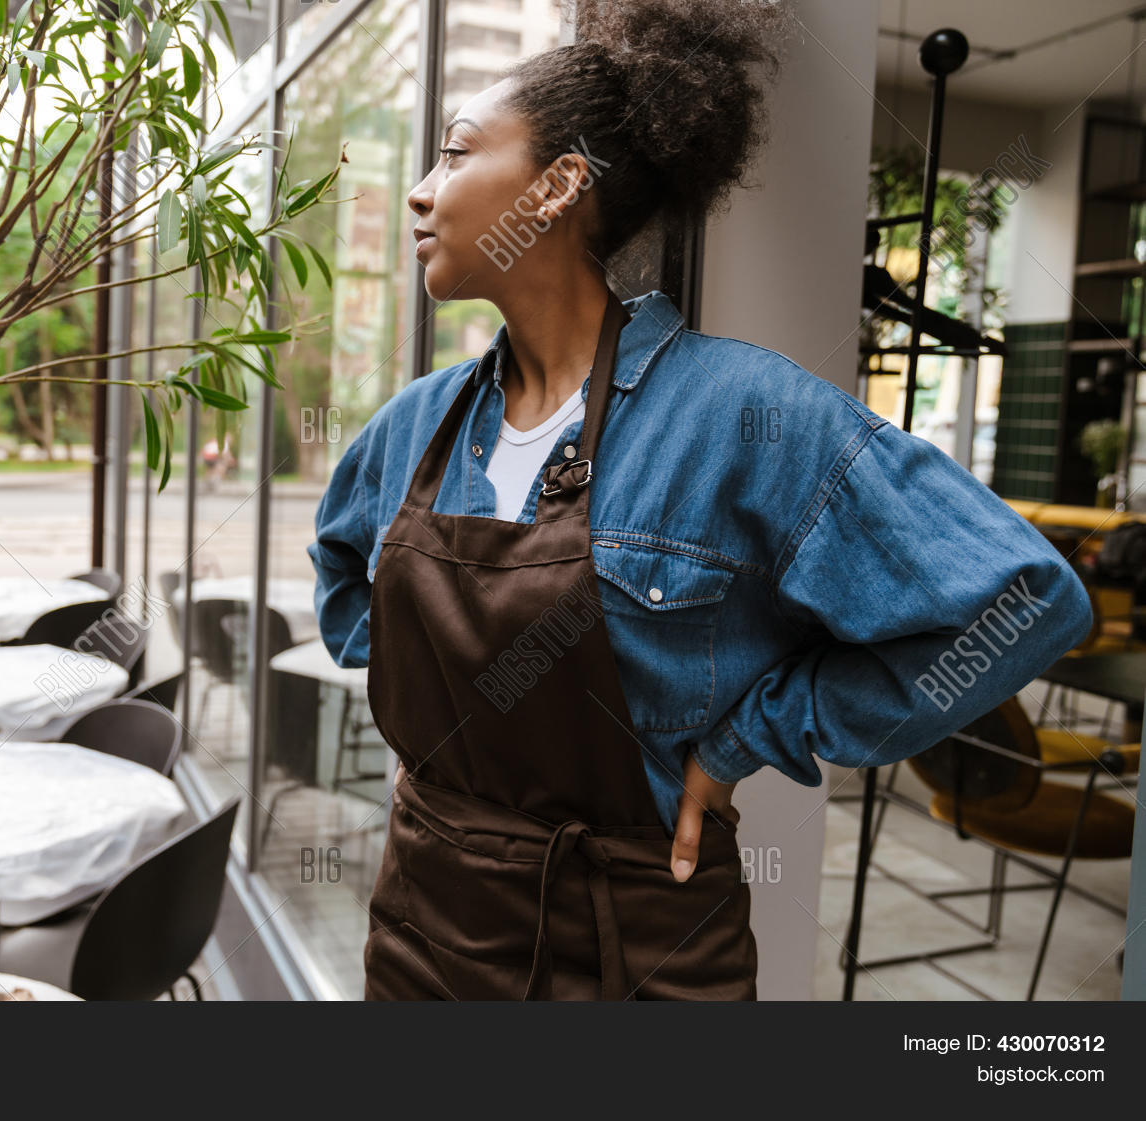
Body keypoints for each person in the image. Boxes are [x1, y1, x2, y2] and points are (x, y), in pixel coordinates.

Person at [306, 0, 1094, 1001]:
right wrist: (449, 740)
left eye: (456, 153)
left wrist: (740, 742)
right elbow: (345, 583)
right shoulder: (413, 426)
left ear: (557, 185)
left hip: (639, 947)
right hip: (425, 927)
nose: (421, 192)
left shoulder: (744, 413)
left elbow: (1023, 600)